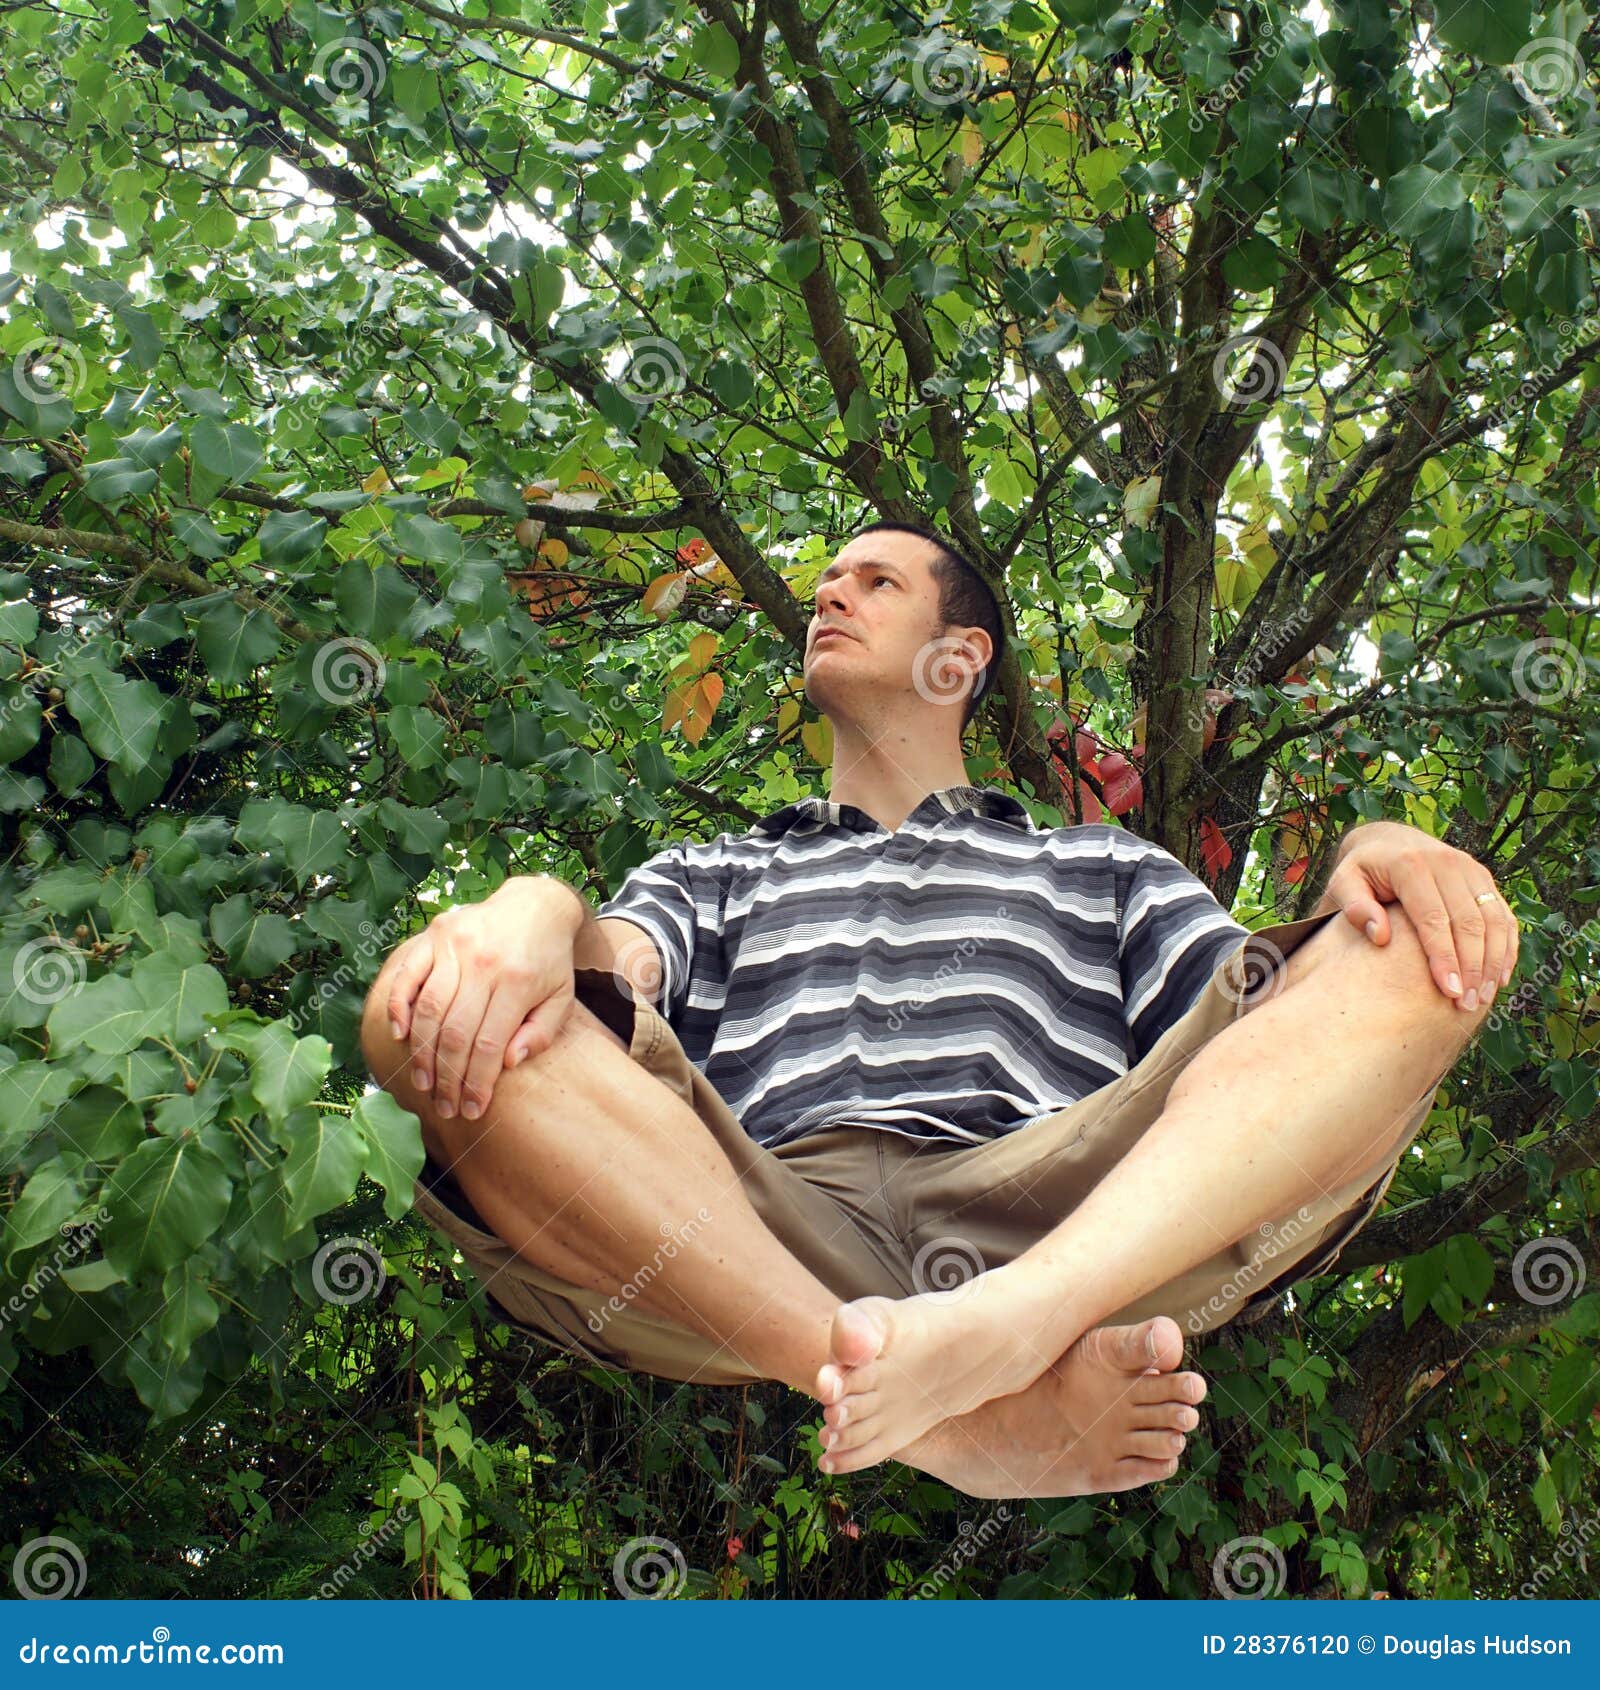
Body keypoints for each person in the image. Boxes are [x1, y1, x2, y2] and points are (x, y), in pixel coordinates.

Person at [360, 521, 1517, 1500]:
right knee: (424, 1006)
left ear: (959, 658)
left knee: (1420, 943)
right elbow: (593, 984)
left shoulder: (1102, 866)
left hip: (1067, 1217)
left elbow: (1276, 1023)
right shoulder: (715, 874)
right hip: (755, 1235)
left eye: (875, 581)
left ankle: (1011, 1325)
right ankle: (936, 1418)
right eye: (824, 581)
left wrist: (1379, 845)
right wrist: (530, 904)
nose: (829, 593)